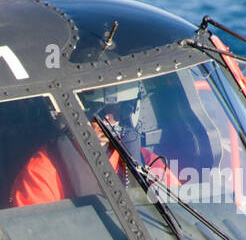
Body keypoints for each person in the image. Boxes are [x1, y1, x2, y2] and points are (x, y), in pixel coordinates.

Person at [10, 84, 178, 208]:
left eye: (117, 109)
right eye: (97, 112)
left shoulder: (146, 162)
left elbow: (177, 209)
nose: (107, 121)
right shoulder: (40, 174)